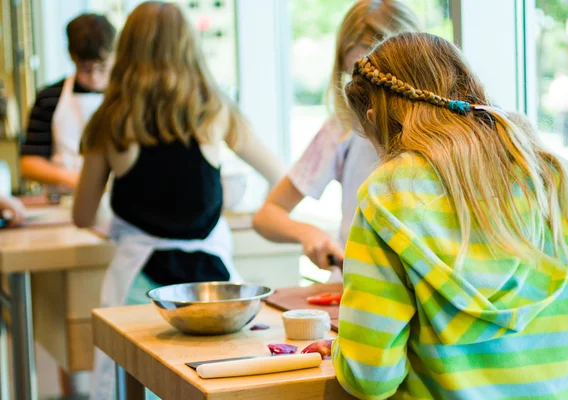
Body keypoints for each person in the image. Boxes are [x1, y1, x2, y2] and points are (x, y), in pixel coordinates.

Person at [331, 32, 568, 399]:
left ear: (375, 116)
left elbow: (370, 379)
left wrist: (341, 353)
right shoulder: (561, 182)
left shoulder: (388, 194)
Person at [71, 2, 285, 399]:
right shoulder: (216, 111)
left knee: (131, 384)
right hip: (214, 289)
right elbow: (280, 174)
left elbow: (83, 215)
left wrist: (115, 224)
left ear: (127, 50)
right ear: (190, 45)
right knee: (214, 385)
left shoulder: (111, 119)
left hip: (139, 284)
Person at [252, 0, 421, 273]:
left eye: (380, 85)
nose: (368, 102)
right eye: (358, 83)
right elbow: (266, 215)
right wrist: (308, 233)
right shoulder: (341, 127)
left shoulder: (447, 132)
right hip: (356, 289)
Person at [20, 13, 116, 191]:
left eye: (102, 68)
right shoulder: (49, 98)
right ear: (72, 56)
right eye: (86, 69)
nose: (94, 78)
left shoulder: (127, 96)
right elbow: (29, 163)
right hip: (63, 200)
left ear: (114, 54)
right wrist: (73, 178)